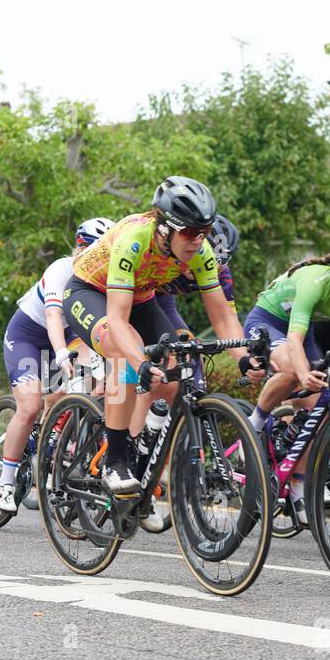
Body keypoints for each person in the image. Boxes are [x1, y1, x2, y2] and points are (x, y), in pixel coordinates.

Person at [63, 177, 264, 494]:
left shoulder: (201, 250)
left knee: (177, 369)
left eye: (205, 231)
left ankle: (143, 452)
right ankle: (115, 461)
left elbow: (223, 314)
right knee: (122, 350)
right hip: (88, 292)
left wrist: (242, 358)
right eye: (188, 232)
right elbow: (116, 319)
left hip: (142, 298)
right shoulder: (134, 238)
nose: (197, 241)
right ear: (164, 229)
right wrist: (140, 361)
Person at [244, 235, 330, 516]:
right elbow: (294, 341)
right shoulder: (314, 282)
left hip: (302, 328)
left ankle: (298, 485)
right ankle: (253, 424)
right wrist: (303, 374)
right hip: (267, 322)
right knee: (291, 369)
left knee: (317, 410)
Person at [0, 216, 114, 512]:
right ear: (79, 249)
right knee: (30, 405)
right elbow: (52, 319)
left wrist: (99, 369)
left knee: (85, 386)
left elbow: (95, 333)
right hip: (28, 336)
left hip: (72, 334)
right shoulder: (61, 270)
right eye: (91, 252)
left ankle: (53, 443)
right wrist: (61, 355)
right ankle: (5, 482)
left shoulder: (104, 282)